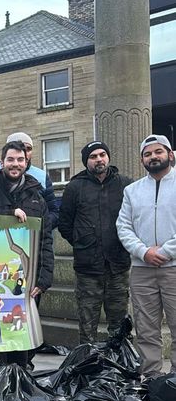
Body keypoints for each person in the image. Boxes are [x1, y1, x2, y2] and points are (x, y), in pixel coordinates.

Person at [0, 141, 54, 370]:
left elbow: (45, 240)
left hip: (28, 281)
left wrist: (43, 279)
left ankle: (20, 379)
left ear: (27, 162)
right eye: (11, 159)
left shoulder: (37, 198)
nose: (16, 164)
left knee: (22, 336)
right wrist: (6, 215)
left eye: (20, 160)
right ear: (2, 162)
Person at [58, 141, 132, 344]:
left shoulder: (125, 184)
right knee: (87, 325)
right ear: (86, 161)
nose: (99, 159)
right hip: (87, 268)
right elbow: (64, 224)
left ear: (108, 157)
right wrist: (82, 243)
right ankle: (88, 359)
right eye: (93, 156)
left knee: (119, 324)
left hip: (118, 265)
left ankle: (120, 358)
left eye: (102, 155)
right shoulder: (74, 187)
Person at [116, 135, 176, 378]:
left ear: (170, 154)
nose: (153, 157)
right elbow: (123, 227)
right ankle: (152, 379)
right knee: (146, 328)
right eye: (147, 154)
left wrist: (165, 252)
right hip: (142, 270)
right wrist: (144, 252)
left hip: (173, 267)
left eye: (158, 152)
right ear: (142, 159)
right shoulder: (132, 191)